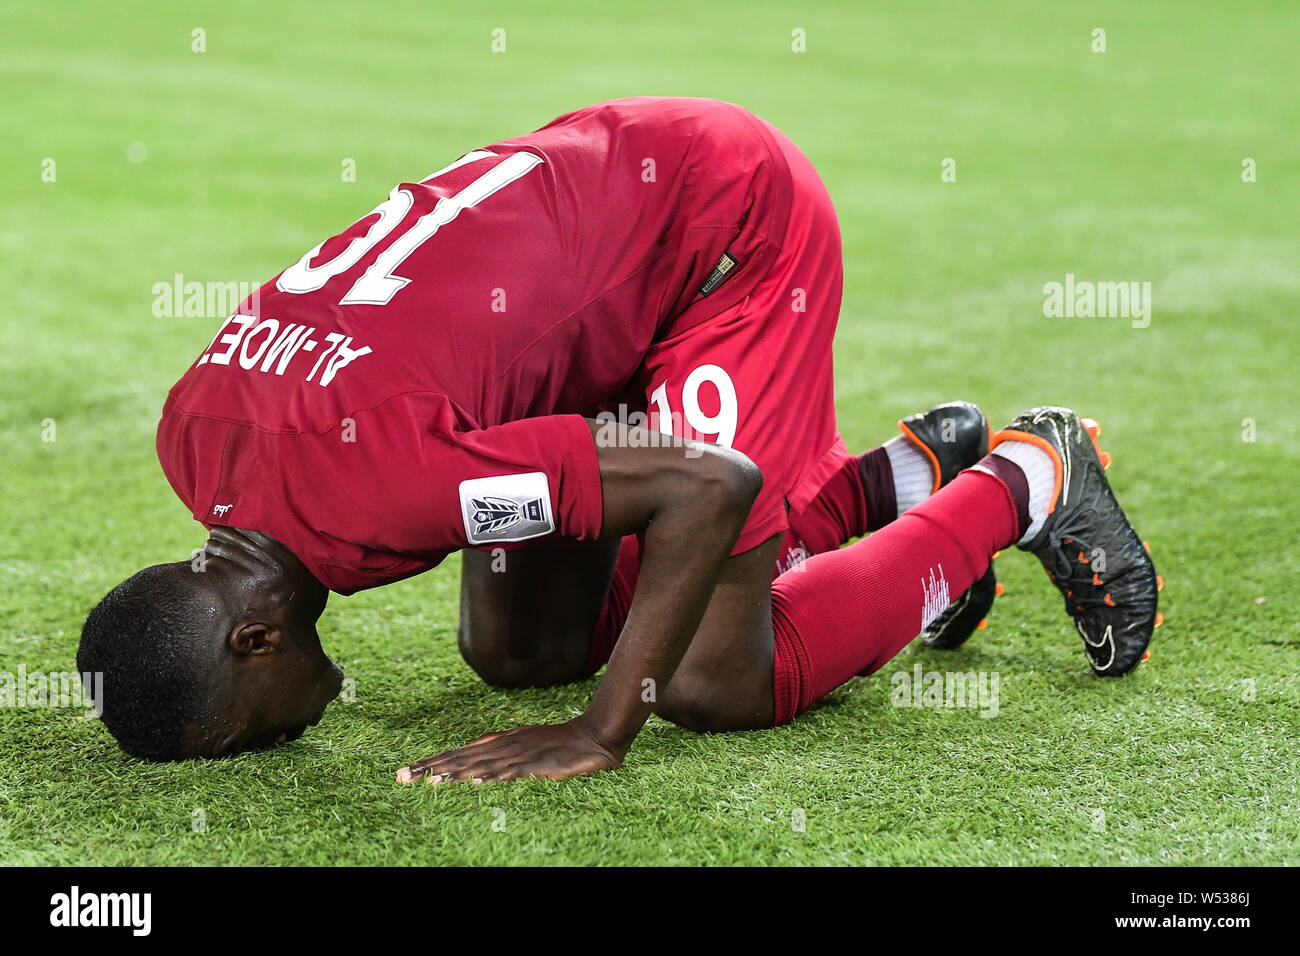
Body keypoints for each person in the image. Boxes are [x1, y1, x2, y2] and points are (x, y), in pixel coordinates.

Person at [77, 97, 1160, 781]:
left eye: (248, 735)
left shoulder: (380, 490)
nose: (277, 744)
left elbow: (708, 485)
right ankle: (902, 475)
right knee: (520, 654)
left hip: (727, 233)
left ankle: (1028, 475)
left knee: (706, 680)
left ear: (252, 640)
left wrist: (602, 728)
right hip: (606, 217)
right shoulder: (192, 433)